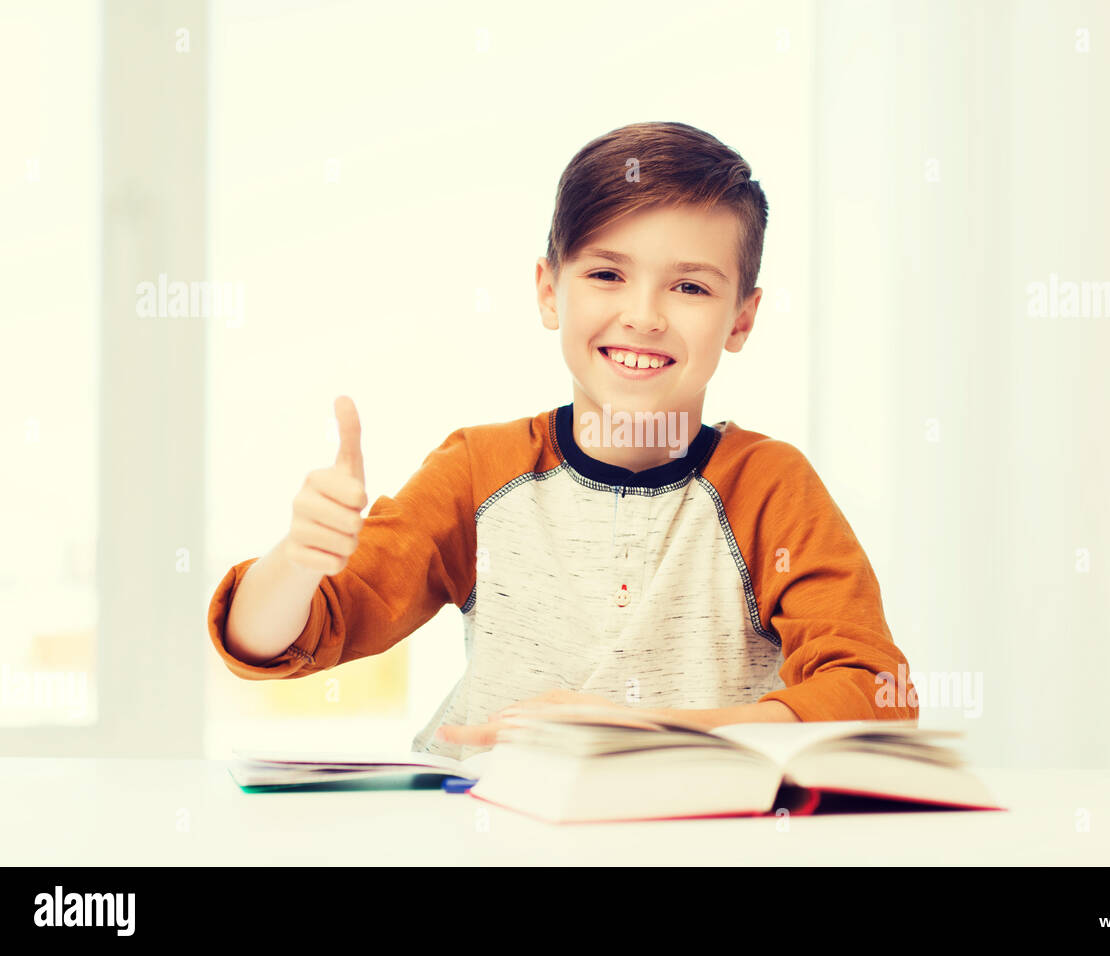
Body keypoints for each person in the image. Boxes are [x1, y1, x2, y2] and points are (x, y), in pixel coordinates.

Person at [206, 120, 919, 762]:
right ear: (550, 291)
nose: (642, 316)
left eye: (690, 288)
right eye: (607, 275)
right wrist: (298, 564)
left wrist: (650, 736)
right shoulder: (480, 472)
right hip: (487, 828)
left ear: (741, 319)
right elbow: (270, 641)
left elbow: (874, 696)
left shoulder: (769, 487)